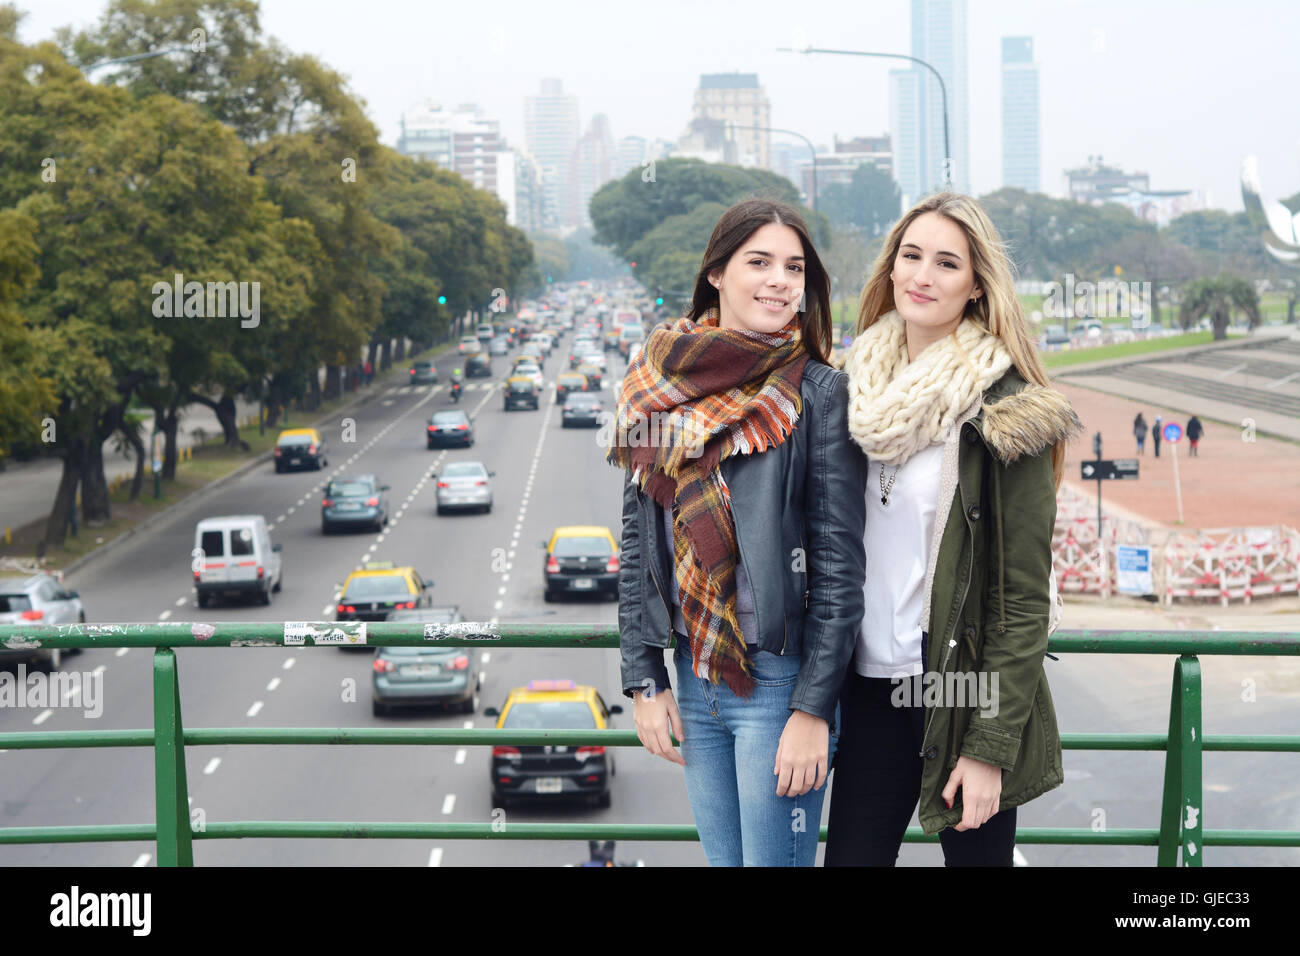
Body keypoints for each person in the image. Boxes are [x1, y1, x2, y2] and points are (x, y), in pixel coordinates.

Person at [611, 198, 867, 867]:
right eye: (760, 262)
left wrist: (812, 711)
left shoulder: (815, 394)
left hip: (777, 687)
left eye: (794, 267)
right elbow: (640, 541)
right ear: (717, 274)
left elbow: (839, 570)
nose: (781, 281)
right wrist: (644, 679)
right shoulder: (658, 386)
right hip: (694, 683)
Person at [826, 192, 1080, 866]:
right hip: (866, 686)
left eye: (946, 264)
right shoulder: (844, 389)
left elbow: (1022, 599)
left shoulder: (1007, 408)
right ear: (889, 267)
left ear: (974, 287)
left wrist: (989, 750)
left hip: (956, 690)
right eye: (911, 256)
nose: (923, 276)